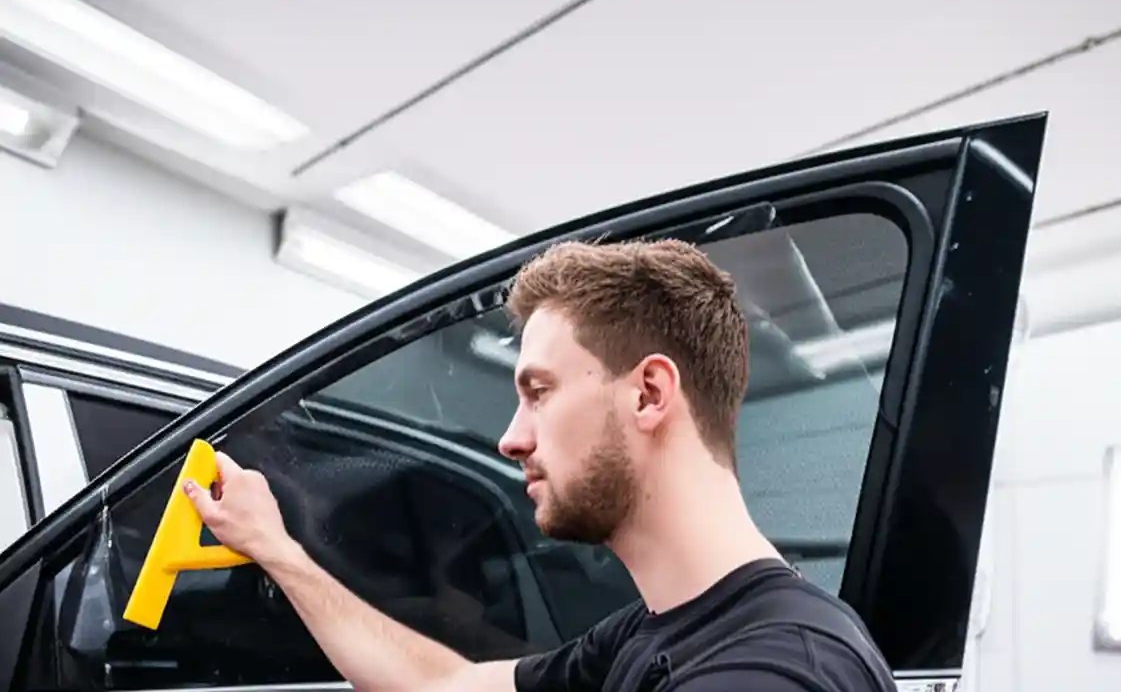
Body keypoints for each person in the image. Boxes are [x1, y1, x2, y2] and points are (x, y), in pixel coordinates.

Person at [185, 239, 896, 691]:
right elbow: (447, 686)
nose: (511, 438)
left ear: (649, 393)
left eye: (538, 392)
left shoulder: (770, 671)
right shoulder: (654, 631)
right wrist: (276, 549)